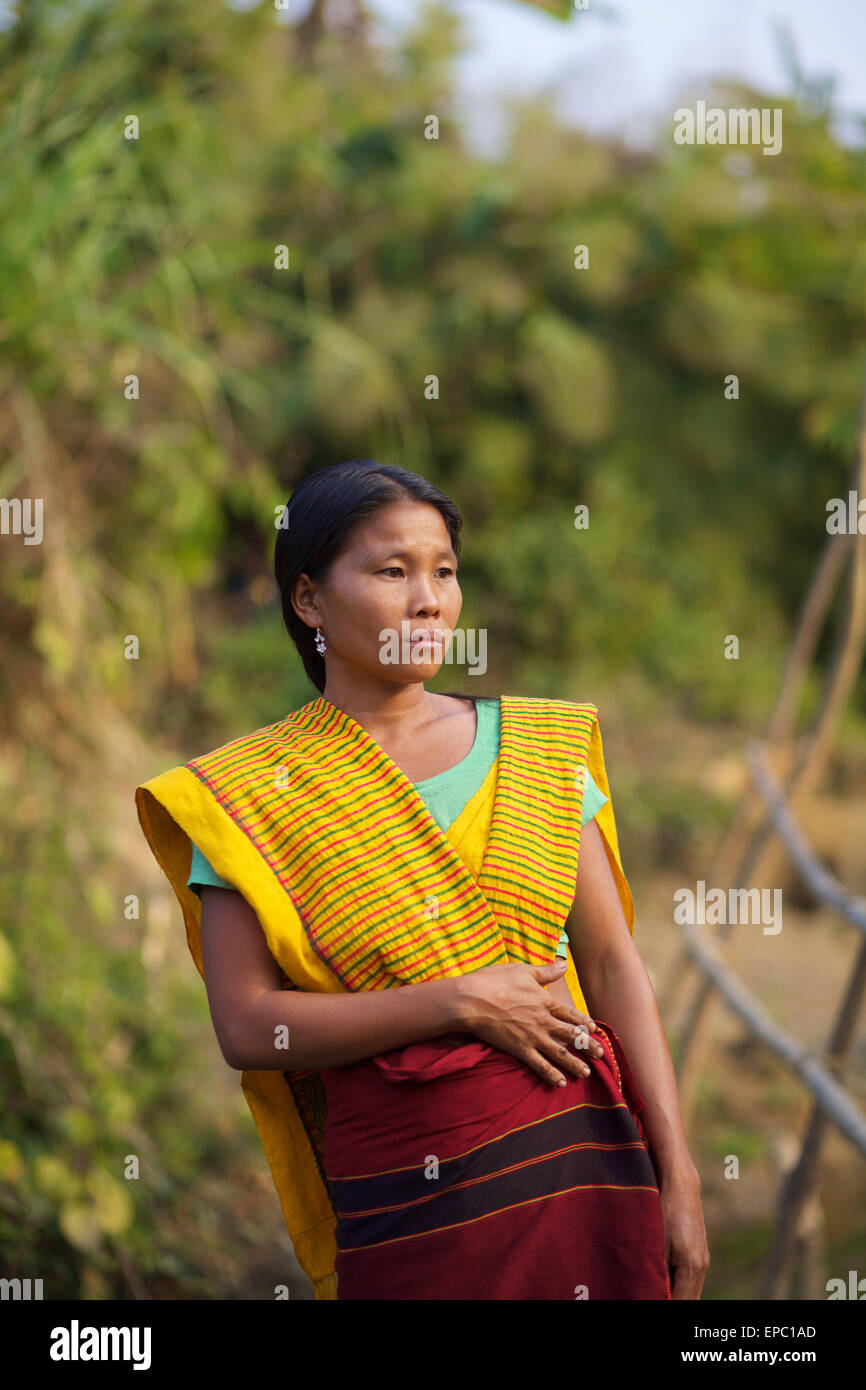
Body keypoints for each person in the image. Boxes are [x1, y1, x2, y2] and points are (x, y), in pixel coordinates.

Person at [135, 458, 709, 1300]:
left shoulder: (541, 752)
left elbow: (615, 966)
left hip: (589, 1175)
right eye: (391, 571)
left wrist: (682, 1177)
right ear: (308, 601)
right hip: (414, 1206)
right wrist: (461, 1001)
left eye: (443, 571)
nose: (428, 598)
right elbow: (251, 1028)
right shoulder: (248, 796)